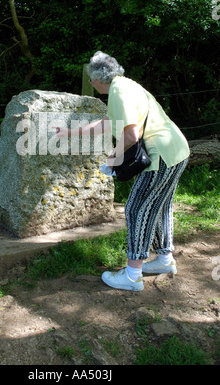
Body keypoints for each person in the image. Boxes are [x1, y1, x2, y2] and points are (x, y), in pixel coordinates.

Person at [55, 51, 190, 292]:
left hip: (162, 157)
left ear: (98, 78)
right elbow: (109, 122)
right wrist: (70, 133)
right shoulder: (125, 85)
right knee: (159, 206)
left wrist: (113, 159)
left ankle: (133, 275)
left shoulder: (118, 91)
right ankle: (164, 260)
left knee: (136, 208)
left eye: (91, 78)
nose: (91, 82)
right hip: (177, 150)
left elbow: (130, 135)